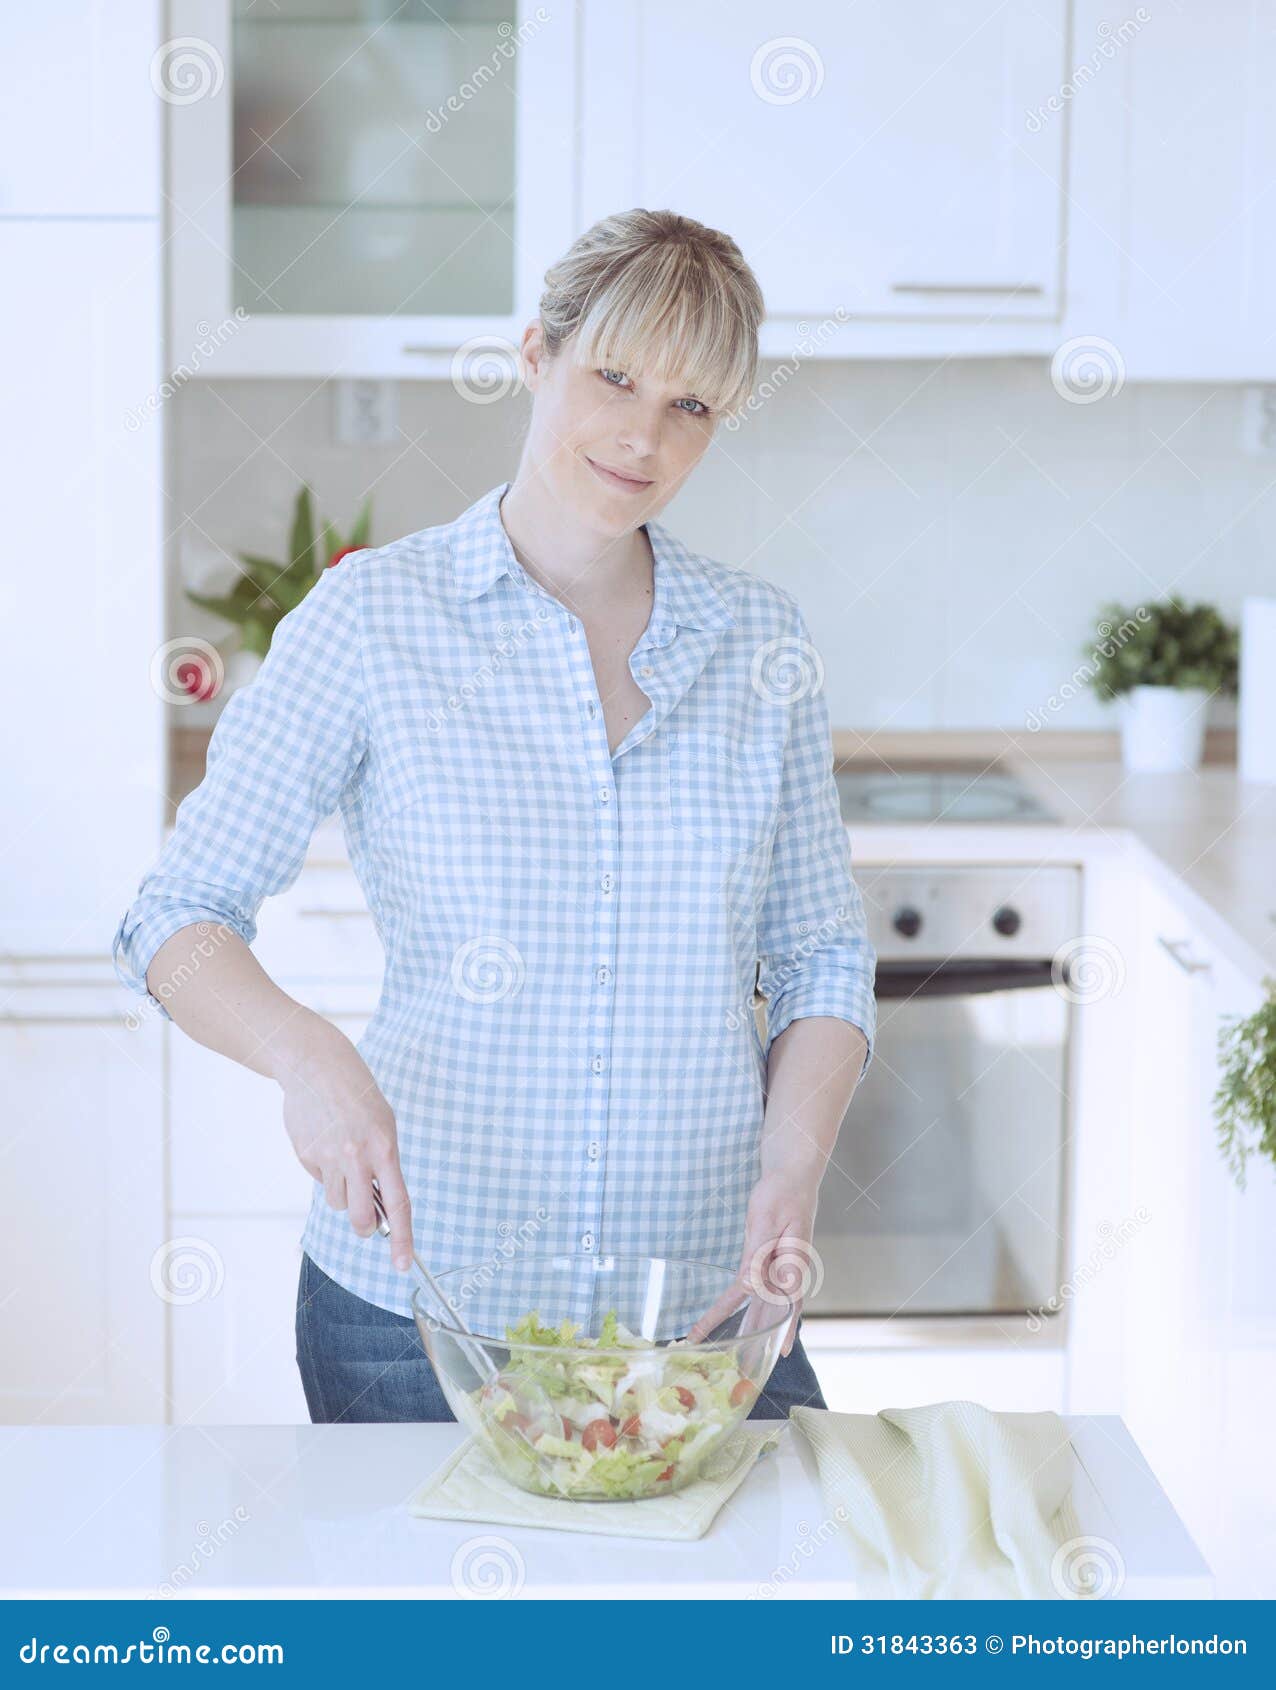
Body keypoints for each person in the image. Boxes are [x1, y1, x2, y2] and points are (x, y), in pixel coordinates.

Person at [112, 208, 877, 1425]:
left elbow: (822, 954)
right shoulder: (371, 620)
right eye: (613, 376)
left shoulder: (757, 641)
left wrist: (791, 1170)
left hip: (704, 1309)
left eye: (690, 405)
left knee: (738, 1618)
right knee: (449, 1628)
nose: (641, 432)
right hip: (420, 1315)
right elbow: (176, 919)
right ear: (536, 355)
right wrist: (307, 1056)